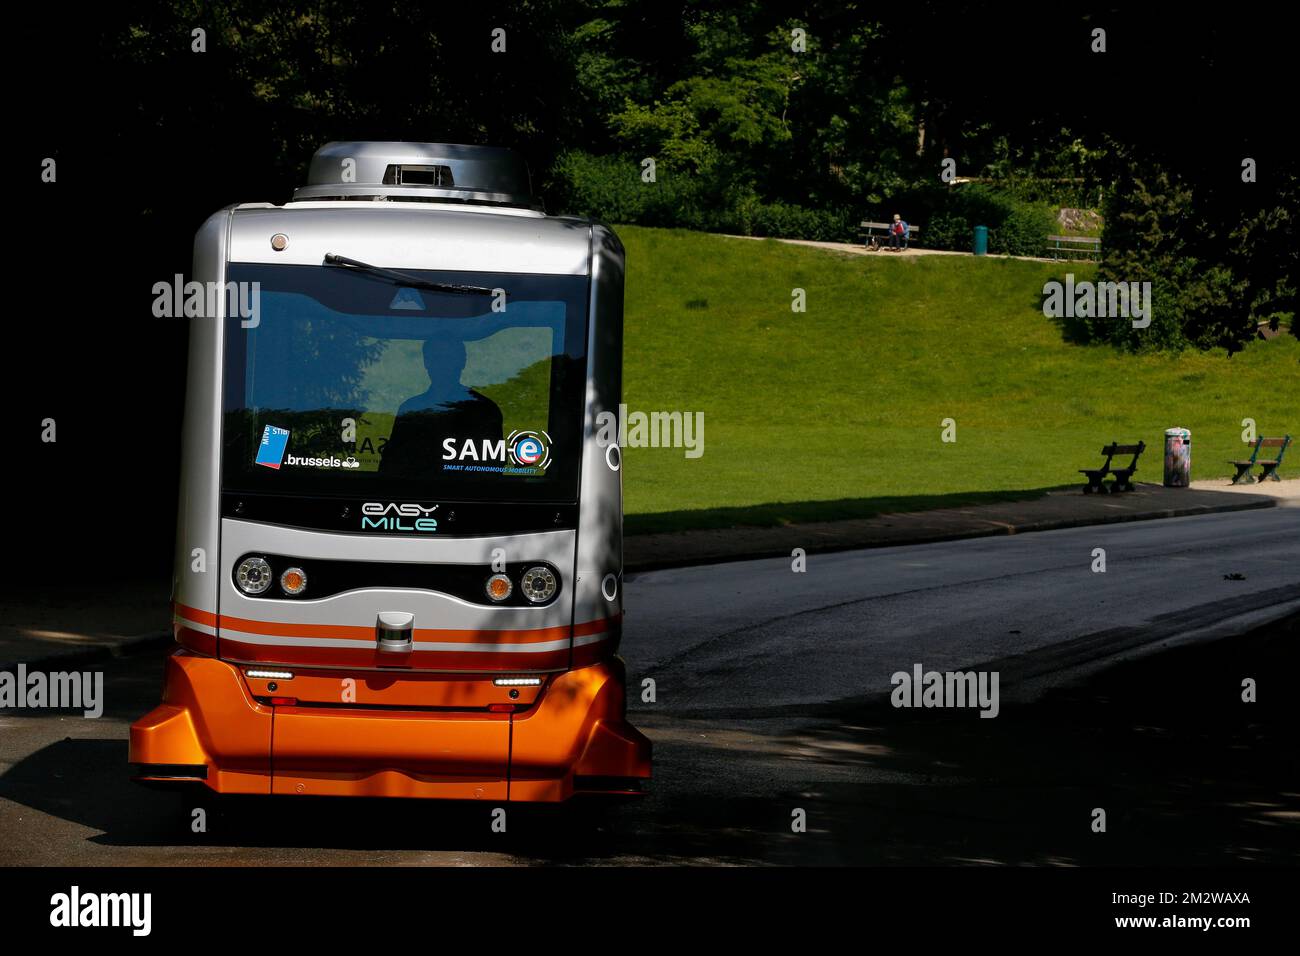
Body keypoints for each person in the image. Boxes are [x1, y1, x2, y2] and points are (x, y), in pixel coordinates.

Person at [379, 337, 503, 476]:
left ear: (462, 362)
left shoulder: (484, 410)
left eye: (449, 358)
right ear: (426, 362)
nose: (443, 365)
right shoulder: (409, 409)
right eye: (437, 358)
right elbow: (390, 466)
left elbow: (492, 471)